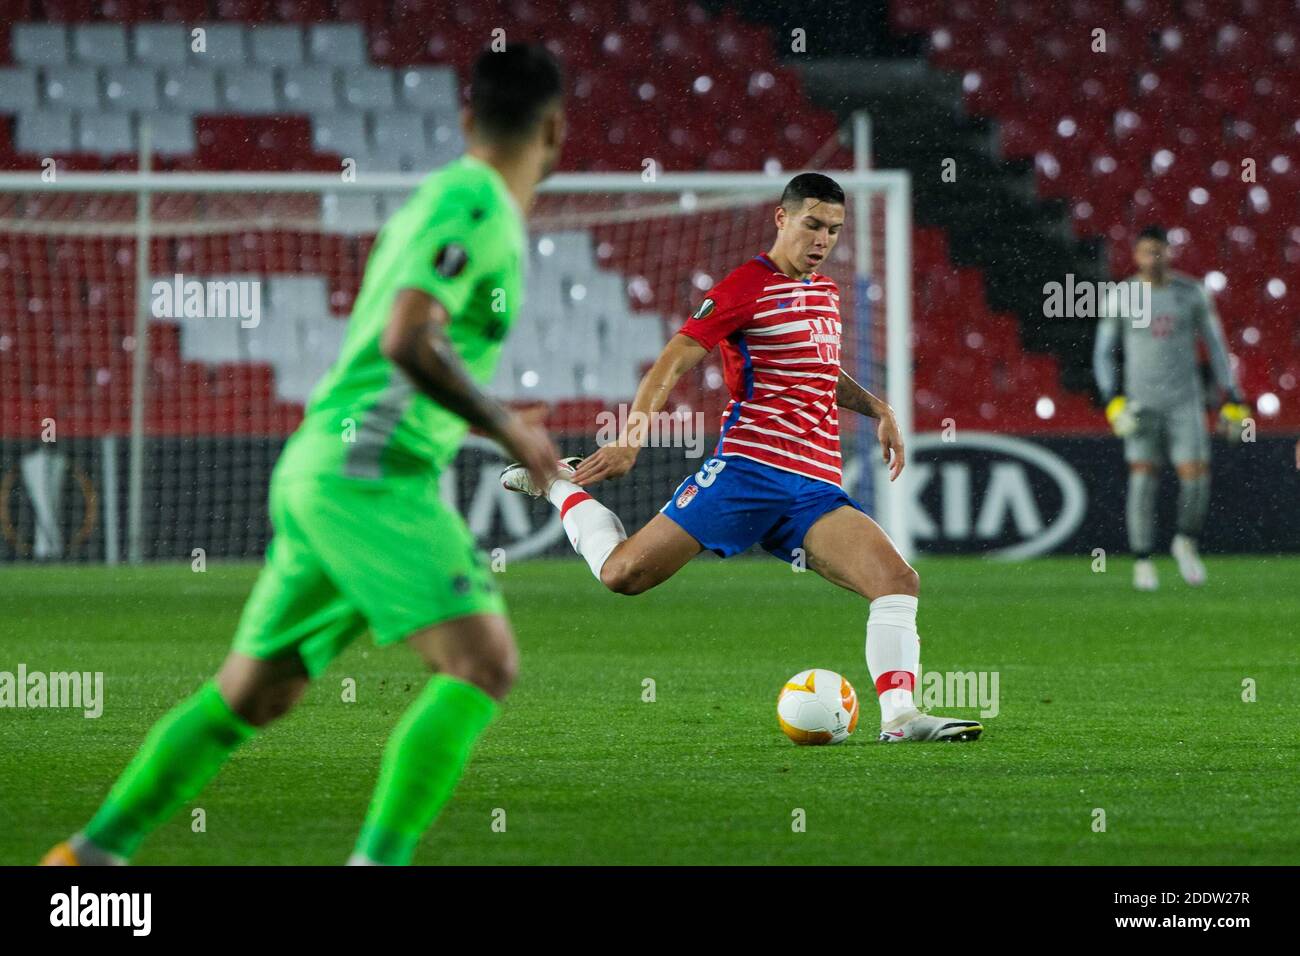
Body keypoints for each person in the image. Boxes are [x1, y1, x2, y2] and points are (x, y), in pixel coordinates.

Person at [42, 43, 566, 866]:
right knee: (483, 663)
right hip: (366, 477)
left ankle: (84, 862)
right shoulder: (477, 203)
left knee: (251, 695)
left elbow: (398, 354)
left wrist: (480, 422)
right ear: (557, 131)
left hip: (328, 467)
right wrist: (505, 426)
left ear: (467, 119)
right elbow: (405, 338)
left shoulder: (443, 199)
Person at [504, 173, 983, 743]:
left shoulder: (825, 293)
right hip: (748, 471)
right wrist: (632, 436)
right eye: (812, 225)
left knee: (897, 580)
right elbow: (673, 361)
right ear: (781, 219)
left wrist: (877, 407)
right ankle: (559, 485)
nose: (823, 239)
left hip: (813, 488)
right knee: (623, 575)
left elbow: (819, 373)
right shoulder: (744, 287)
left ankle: (901, 717)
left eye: (833, 229)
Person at [1093, 225, 1246, 591]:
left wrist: (1234, 396)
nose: (1153, 258)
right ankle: (1143, 560)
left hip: (1185, 401)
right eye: (1147, 252)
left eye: (1159, 251)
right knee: (1143, 478)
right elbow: (1102, 352)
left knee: (1196, 477)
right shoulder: (1122, 295)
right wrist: (1112, 399)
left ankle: (1185, 541)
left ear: (1170, 253)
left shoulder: (1191, 293)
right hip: (1141, 403)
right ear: (1136, 255)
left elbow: (1216, 345)